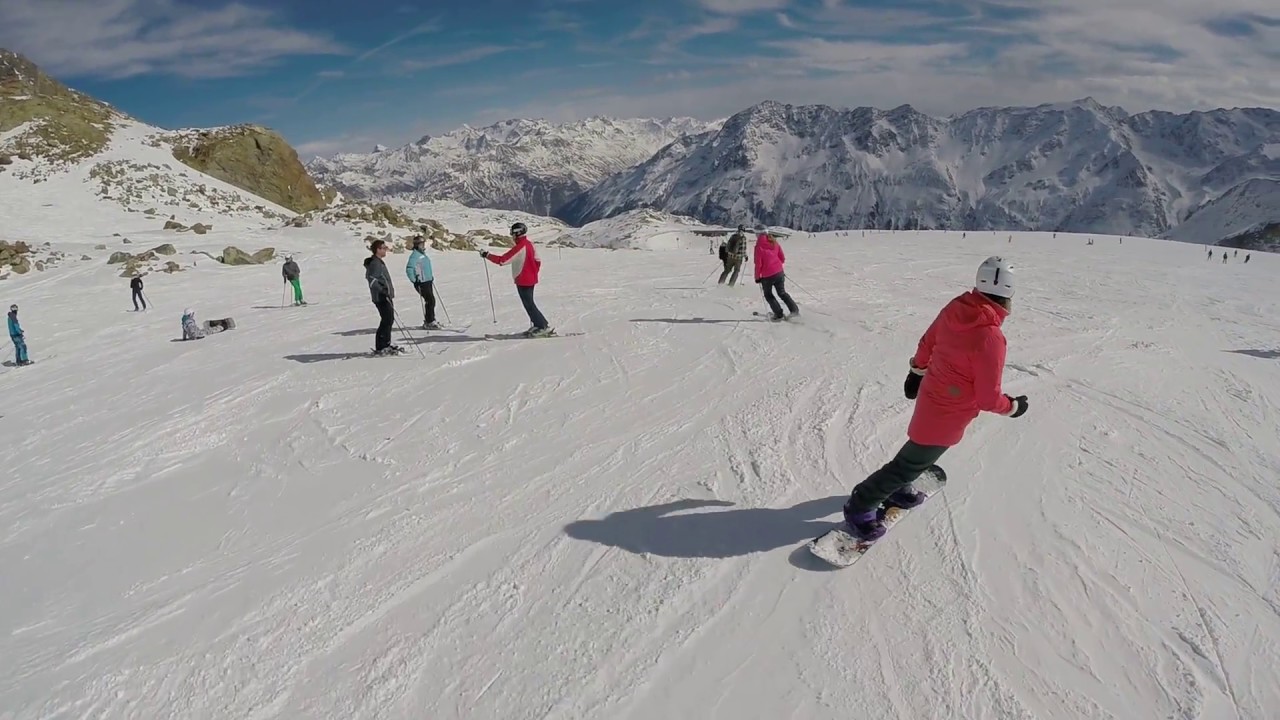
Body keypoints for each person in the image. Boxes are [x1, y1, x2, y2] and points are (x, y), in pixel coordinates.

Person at [841, 256, 1029, 541]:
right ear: (1009, 295)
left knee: (916, 453)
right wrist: (1013, 407)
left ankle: (899, 487)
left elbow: (928, 342)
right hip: (950, 411)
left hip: (932, 395)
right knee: (912, 461)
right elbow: (988, 397)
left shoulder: (957, 307)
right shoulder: (991, 337)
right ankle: (861, 505)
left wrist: (916, 372)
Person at [481, 222, 552, 337]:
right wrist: (533, 272)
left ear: (517, 233)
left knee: (529, 304)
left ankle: (542, 326)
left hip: (523, 280)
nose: (512, 236)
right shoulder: (529, 244)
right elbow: (537, 260)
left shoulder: (520, 247)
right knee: (529, 303)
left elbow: (503, 260)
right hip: (530, 279)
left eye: (512, 234)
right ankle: (538, 324)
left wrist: (487, 255)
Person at [363, 240, 402, 355]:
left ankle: (385, 343)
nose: (386, 250)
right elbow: (372, 280)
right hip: (381, 296)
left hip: (385, 295)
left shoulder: (379, 262)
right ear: (378, 250)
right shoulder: (375, 263)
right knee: (387, 319)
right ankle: (381, 346)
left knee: (388, 319)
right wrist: (382, 290)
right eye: (384, 248)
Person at [753, 225, 799, 320]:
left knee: (768, 295)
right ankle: (794, 311)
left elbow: (758, 264)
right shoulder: (774, 242)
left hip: (767, 276)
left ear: (758, 234)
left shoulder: (758, 246)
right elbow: (782, 258)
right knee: (782, 293)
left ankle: (778, 314)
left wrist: (757, 277)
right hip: (779, 272)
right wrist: (776, 267)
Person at [405, 235, 438, 329]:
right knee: (430, 300)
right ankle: (429, 321)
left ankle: (430, 320)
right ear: (417, 245)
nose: (423, 245)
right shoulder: (415, 255)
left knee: (430, 300)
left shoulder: (422, 254)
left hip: (427, 281)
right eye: (421, 244)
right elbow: (409, 268)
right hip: (421, 282)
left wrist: (430, 276)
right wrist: (414, 280)